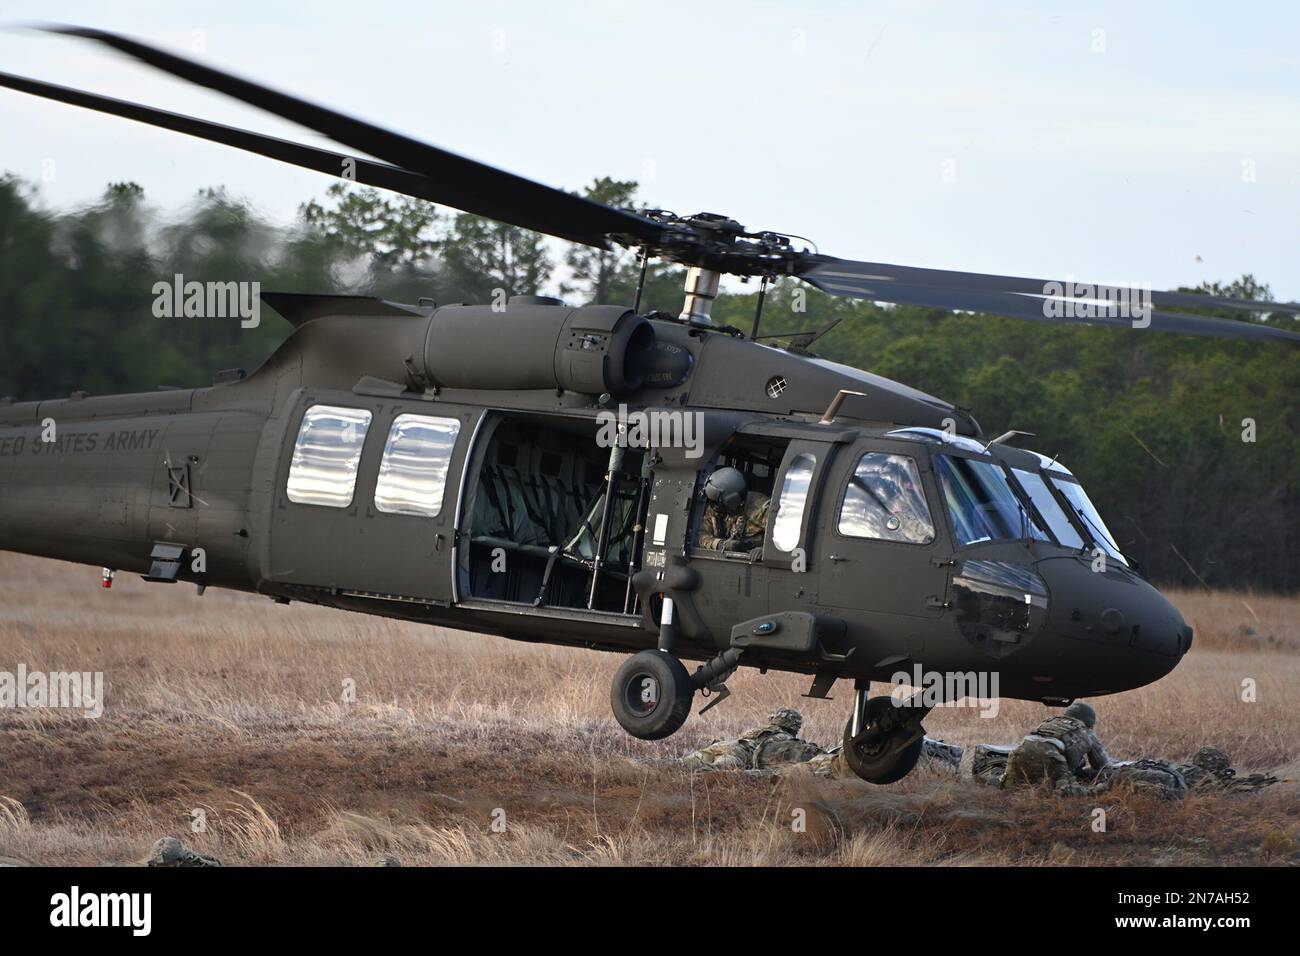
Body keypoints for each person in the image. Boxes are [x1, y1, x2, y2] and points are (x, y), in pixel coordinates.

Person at [999, 701, 1110, 795]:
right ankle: (1096, 791)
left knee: (1008, 788)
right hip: (1050, 757)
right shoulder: (1086, 731)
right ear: (1089, 721)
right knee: (1066, 792)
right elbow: (1101, 764)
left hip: (1019, 754)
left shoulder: (1050, 722)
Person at [682, 707, 822, 771]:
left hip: (724, 745)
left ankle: (662, 766)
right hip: (739, 754)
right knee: (715, 770)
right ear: (794, 727)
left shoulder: (760, 729)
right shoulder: (784, 738)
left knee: (682, 764)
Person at [699, 466, 769, 557]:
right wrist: (720, 544)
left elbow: (783, 540)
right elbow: (701, 534)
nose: (713, 507)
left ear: (731, 500)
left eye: (718, 504)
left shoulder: (762, 508)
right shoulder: (717, 507)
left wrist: (764, 550)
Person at [1175, 746, 1281, 794]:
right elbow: (1221, 790)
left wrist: (1250, 781)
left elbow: (1226, 783)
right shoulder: (1199, 773)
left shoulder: (1189, 768)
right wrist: (1250, 787)